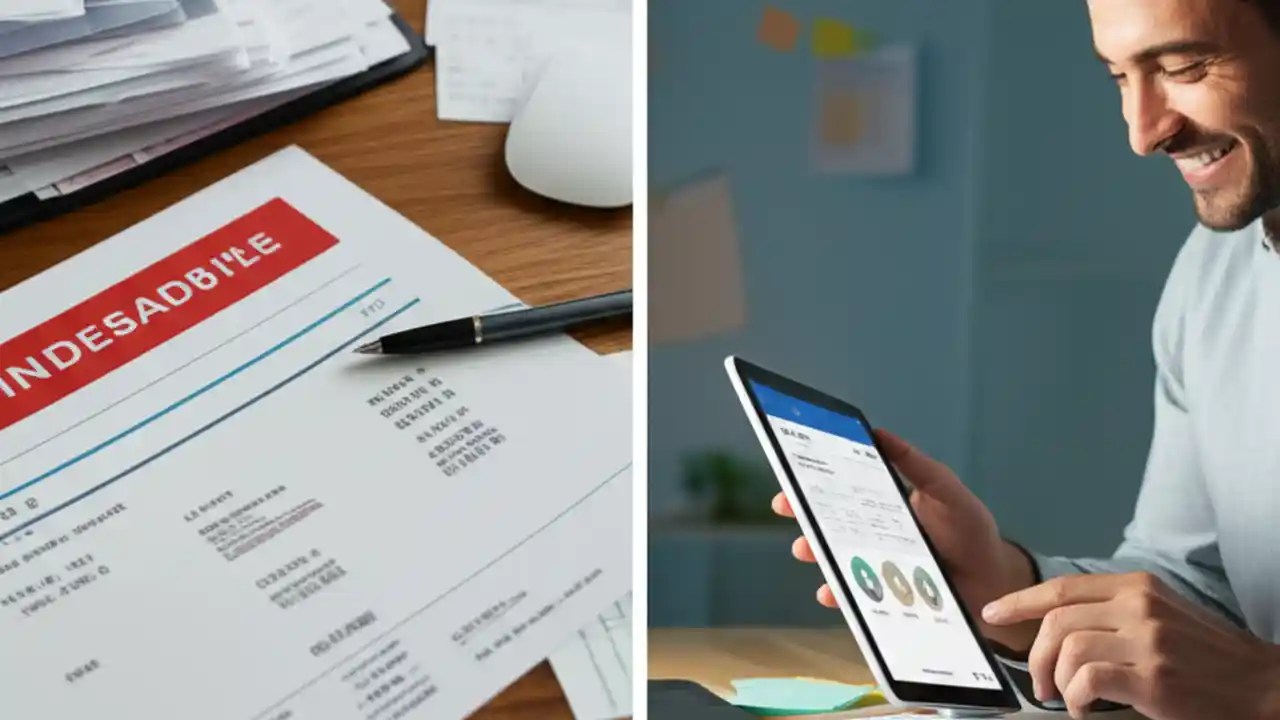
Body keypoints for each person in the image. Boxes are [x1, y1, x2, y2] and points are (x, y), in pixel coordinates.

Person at [773, 1, 1280, 718]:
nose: (1142, 132)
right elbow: (1199, 597)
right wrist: (998, 586)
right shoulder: (1212, 271)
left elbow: (1245, 672)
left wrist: (1266, 690)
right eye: (1118, 76)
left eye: (1185, 67)